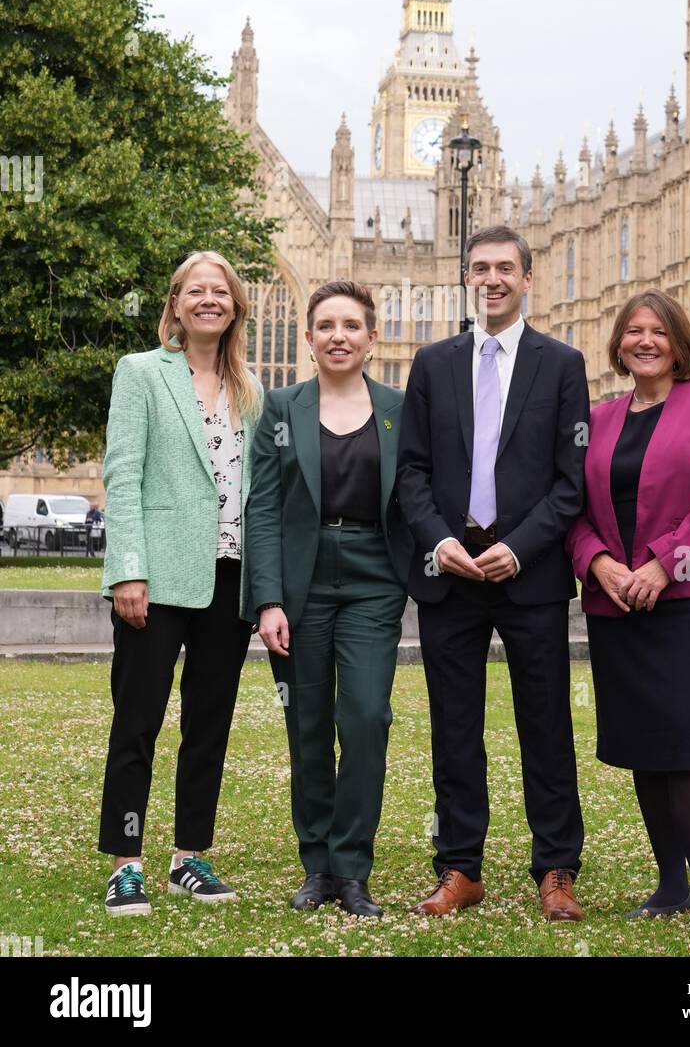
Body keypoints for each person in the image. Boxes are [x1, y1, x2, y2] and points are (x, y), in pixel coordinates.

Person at [397, 225, 589, 922]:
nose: (492, 279)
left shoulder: (561, 365)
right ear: (467, 279)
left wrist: (525, 546)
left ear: (526, 278)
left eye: (505, 268)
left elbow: (571, 484)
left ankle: (556, 869)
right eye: (480, 268)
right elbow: (411, 471)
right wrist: (438, 539)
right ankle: (459, 868)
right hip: (451, 574)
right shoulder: (432, 363)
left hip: (527, 574)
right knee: (454, 727)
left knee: (545, 725)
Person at [565, 290, 690, 941]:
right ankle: (668, 884)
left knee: (687, 742)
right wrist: (597, 563)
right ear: (618, 344)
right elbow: (572, 508)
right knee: (643, 745)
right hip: (615, 599)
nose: (644, 341)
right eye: (632, 332)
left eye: (657, 332)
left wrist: (661, 563)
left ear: (678, 342)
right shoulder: (596, 419)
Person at [98, 251, 262, 915]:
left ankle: (189, 857)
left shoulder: (250, 389)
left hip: (230, 580)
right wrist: (128, 570)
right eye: (195, 290)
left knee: (209, 724)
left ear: (235, 306)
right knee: (137, 721)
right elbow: (122, 474)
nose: (208, 300)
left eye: (219, 291)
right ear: (175, 303)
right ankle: (126, 863)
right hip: (157, 577)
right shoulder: (141, 373)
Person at [245, 280, 412, 918]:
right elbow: (262, 507)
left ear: (371, 337)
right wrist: (267, 600)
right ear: (309, 338)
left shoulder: (399, 407)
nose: (338, 336)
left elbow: (419, 492)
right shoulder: (282, 408)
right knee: (306, 725)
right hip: (301, 581)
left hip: (375, 576)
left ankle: (353, 868)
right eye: (325, 326)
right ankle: (317, 865)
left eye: (351, 325)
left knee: (367, 717)